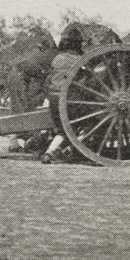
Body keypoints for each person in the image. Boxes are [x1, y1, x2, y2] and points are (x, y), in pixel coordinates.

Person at [40, 26, 86, 163]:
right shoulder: (80, 59)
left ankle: (49, 152)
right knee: (90, 122)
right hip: (68, 100)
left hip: (53, 99)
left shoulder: (58, 58)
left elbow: (49, 79)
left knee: (62, 130)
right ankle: (69, 149)